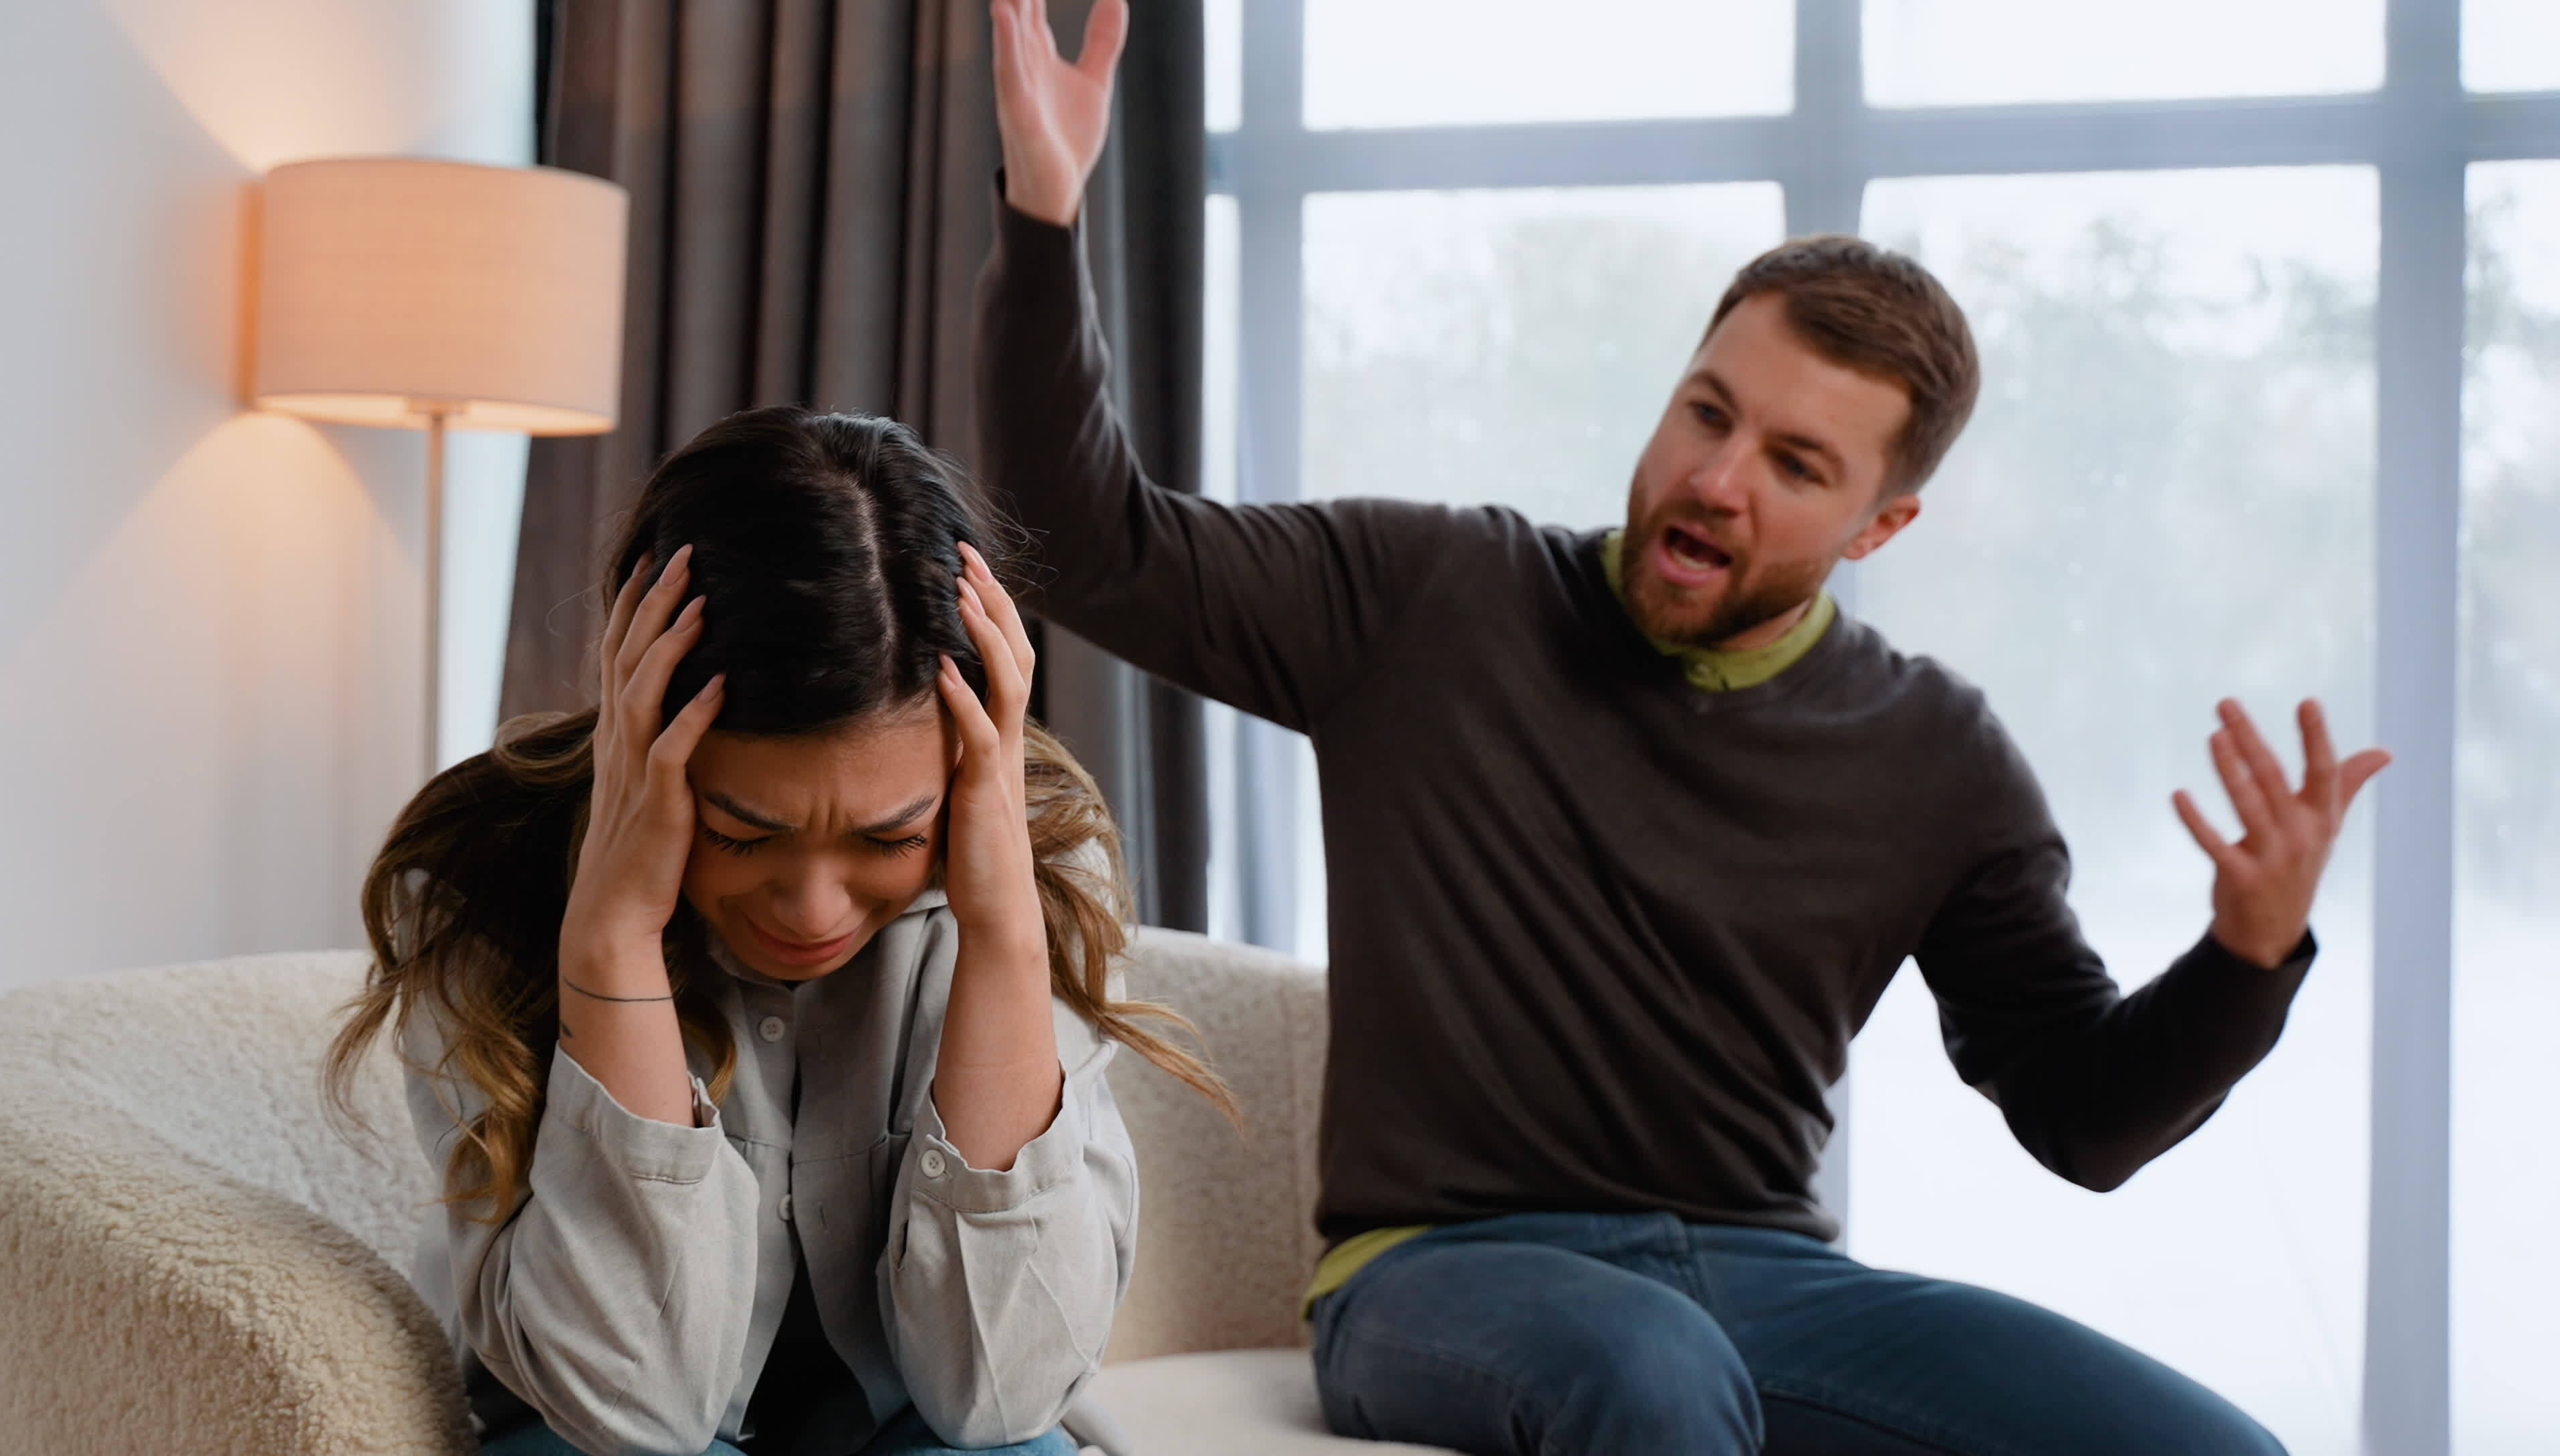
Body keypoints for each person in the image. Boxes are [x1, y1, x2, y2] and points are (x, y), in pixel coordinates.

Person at [979, 2, 2390, 1452]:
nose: (1719, 478)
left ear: (1880, 526)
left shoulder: (1936, 758)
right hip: (1440, 1274)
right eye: (1708, 414)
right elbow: (1090, 545)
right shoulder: (1431, 596)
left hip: (1770, 1283)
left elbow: (2082, 1117)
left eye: (1795, 464)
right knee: (1650, 1372)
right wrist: (1044, 217)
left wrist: (2246, 959)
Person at [326, 408, 1227, 1456]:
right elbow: (633, 1411)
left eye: (890, 838)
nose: (813, 910)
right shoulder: (479, 881)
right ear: (636, 716)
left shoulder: (1041, 874)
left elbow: (1001, 1395)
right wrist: (615, 937)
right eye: (742, 834)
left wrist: (1002, 936)